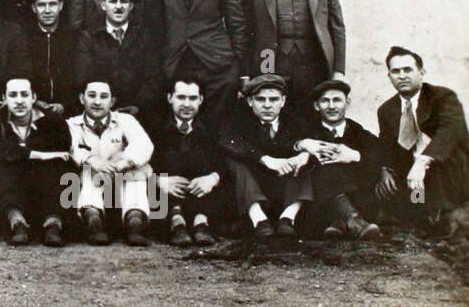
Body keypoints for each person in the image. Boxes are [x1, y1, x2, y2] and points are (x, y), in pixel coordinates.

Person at [375, 46, 469, 238]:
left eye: (407, 70)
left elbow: (450, 132)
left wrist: (423, 161)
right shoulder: (386, 110)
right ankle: (423, 214)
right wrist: (384, 169)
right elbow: (386, 145)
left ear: (421, 73)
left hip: (445, 168)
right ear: (389, 77)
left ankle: (441, 214)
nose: (402, 76)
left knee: (436, 172)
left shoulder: (442, 97)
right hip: (413, 176)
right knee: (408, 195)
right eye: (396, 71)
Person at [0, 76, 73, 246]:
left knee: (57, 164)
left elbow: (62, 147)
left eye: (24, 94)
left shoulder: (52, 122)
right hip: (13, 185)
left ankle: (53, 223)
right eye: (13, 95)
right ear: (4, 98)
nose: (19, 101)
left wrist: (27, 154)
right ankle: (16, 222)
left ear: (34, 97)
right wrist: (35, 154)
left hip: (42, 183)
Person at [219, 74, 314, 240]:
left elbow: (312, 140)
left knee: (304, 161)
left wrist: (304, 154)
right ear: (250, 101)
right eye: (260, 99)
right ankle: (259, 220)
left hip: (284, 189)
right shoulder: (238, 120)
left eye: (274, 99)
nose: (267, 105)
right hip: (252, 190)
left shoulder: (295, 121)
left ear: (283, 101)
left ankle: (288, 218)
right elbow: (228, 142)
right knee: (234, 162)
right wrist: (266, 159)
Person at [66, 78, 156, 247]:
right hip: (92, 182)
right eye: (91, 95)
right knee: (89, 171)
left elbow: (144, 144)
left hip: (121, 178)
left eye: (104, 96)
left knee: (137, 171)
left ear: (112, 101)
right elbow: (70, 147)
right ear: (81, 98)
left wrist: (124, 161)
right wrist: (92, 160)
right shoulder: (73, 124)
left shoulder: (125, 120)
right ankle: (93, 218)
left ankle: (135, 220)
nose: (97, 102)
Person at [294, 79, 381, 240]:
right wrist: (302, 145)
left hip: (359, 200)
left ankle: (340, 222)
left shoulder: (359, 133)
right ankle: (353, 221)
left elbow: (379, 157)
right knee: (323, 167)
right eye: (325, 101)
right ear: (316, 106)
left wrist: (354, 156)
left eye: (337, 100)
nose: (332, 106)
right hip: (318, 207)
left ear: (347, 103)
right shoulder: (307, 133)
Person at [148, 76, 229, 247]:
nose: (186, 104)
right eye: (181, 97)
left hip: (201, 192)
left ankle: (201, 223)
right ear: (169, 98)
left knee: (217, 184)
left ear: (201, 100)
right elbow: (142, 163)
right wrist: (160, 181)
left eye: (192, 98)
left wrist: (212, 178)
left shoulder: (212, 127)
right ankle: (177, 223)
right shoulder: (154, 126)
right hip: (166, 191)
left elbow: (223, 162)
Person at [71, 0, 161, 119]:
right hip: (100, 111)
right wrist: (106, 105)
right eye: (113, 1)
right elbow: (84, 76)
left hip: (138, 112)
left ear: (130, 7)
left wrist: (138, 105)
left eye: (124, 2)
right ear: (103, 5)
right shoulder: (89, 37)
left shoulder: (144, 36)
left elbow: (153, 77)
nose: (118, 7)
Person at [27, 0, 79, 116]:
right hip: (33, 109)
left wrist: (64, 105)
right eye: (41, 5)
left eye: (52, 4)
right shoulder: (24, 37)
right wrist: (35, 101)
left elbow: (81, 76)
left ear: (61, 6)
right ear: (34, 8)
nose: (47, 10)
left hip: (70, 110)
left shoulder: (76, 37)